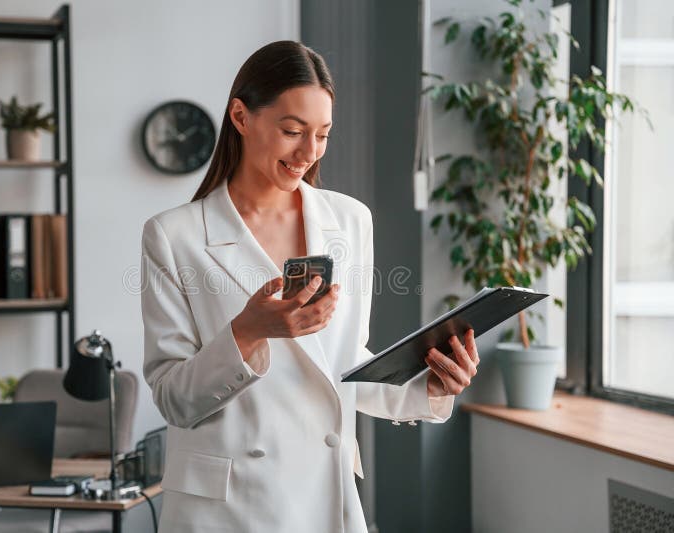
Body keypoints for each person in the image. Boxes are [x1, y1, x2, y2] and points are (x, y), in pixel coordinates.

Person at [140, 40, 480, 533]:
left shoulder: (350, 220)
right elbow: (173, 398)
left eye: (323, 134)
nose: (309, 152)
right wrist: (247, 333)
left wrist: (429, 385)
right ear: (241, 116)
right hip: (226, 510)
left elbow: (343, 366)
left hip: (324, 493)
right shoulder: (174, 236)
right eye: (292, 131)